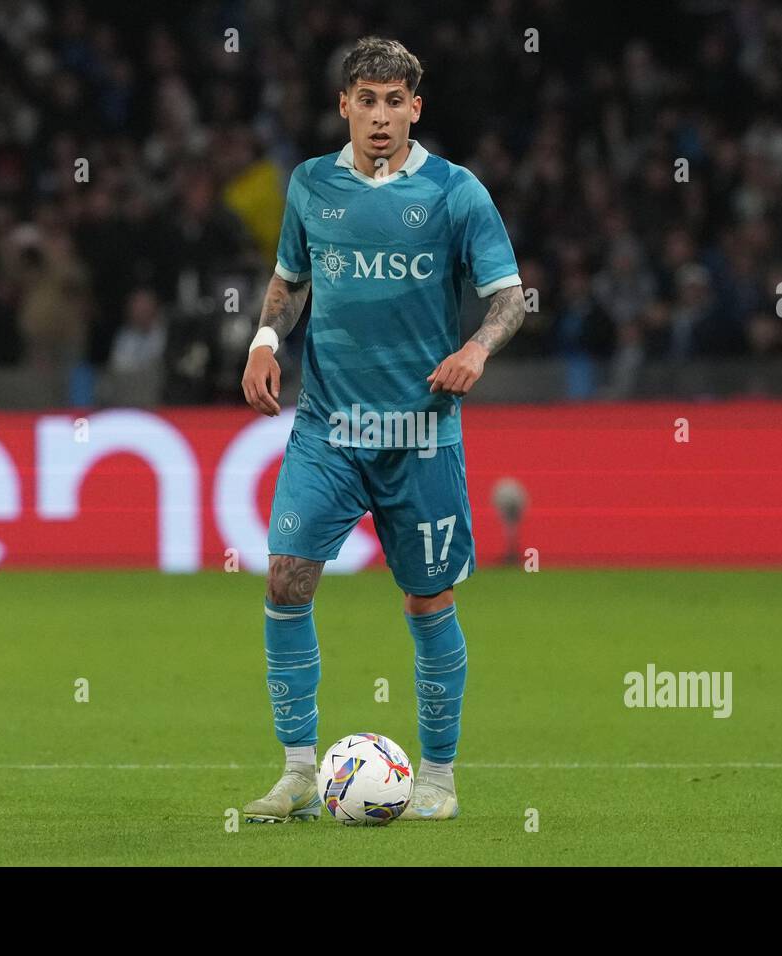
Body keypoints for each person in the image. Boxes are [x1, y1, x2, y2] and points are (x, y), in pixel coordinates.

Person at [239, 37, 525, 822]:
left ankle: (438, 778)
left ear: (414, 110)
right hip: (328, 427)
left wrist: (474, 347)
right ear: (345, 107)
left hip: (421, 435)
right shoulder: (309, 187)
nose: (380, 116)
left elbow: (511, 299)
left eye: (395, 101)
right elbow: (290, 281)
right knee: (286, 577)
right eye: (367, 100)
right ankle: (298, 770)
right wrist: (265, 342)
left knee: (427, 601)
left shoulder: (456, 193)